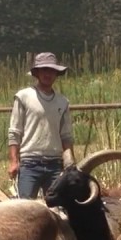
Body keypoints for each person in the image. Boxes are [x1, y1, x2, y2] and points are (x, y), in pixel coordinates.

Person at [8, 52, 74, 198]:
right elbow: (14, 132)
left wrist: (69, 162)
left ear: (56, 73)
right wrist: (13, 161)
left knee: (58, 207)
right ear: (37, 73)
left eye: (51, 70)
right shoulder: (23, 97)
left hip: (55, 163)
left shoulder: (62, 102)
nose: (48, 74)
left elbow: (66, 136)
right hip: (30, 163)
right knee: (25, 208)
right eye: (44, 70)